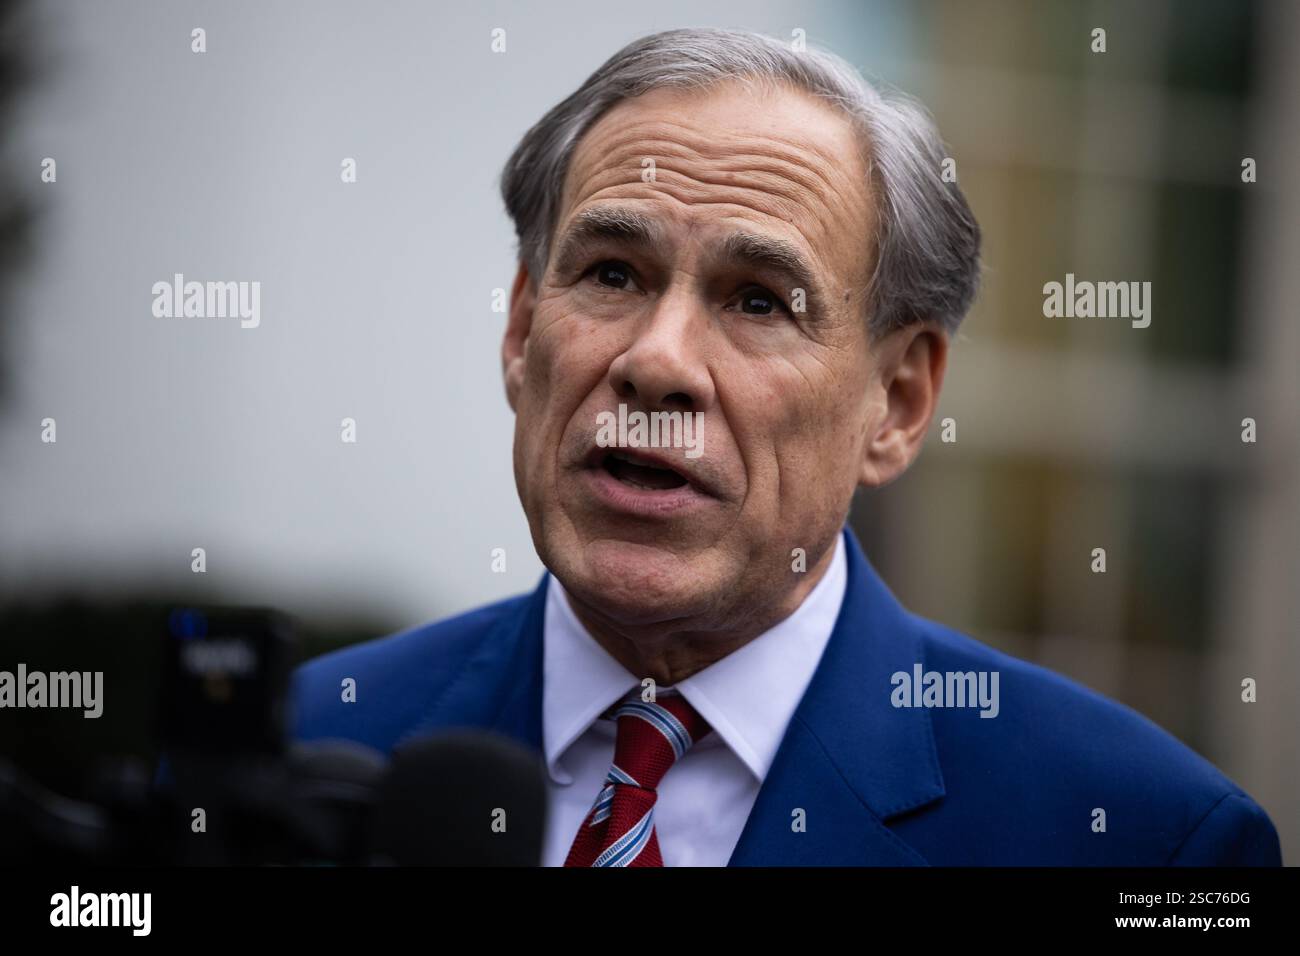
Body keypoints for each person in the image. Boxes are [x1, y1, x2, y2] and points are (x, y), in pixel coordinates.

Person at [292, 28, 1280, 866]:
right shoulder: (308, 747)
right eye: (611, 274)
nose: (656, 361)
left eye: (759, 299)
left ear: (894, 403)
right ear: (519, 330)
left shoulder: (1143, 836)